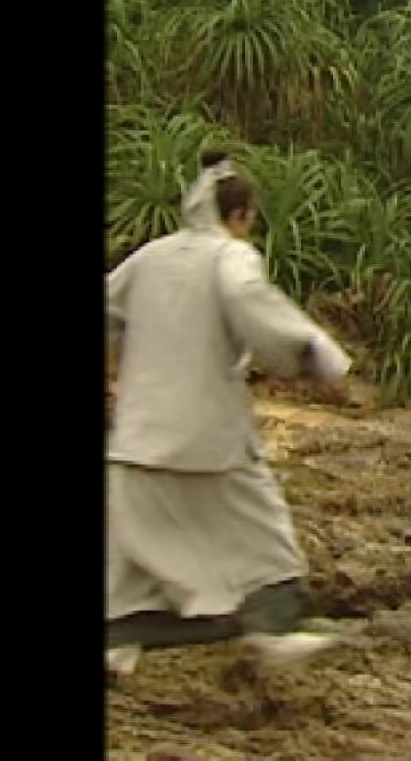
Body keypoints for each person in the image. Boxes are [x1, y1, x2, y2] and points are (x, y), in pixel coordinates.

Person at [105, 150, 352, 676]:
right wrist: (314, 355)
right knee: (265, 541)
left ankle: (121, 645)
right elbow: (253, 306)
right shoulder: (229, 258)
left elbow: (109, 310)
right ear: (239, 217)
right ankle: (273, 631)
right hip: (205, 440)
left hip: (136, 440)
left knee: (134, 558)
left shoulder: (149, 257)